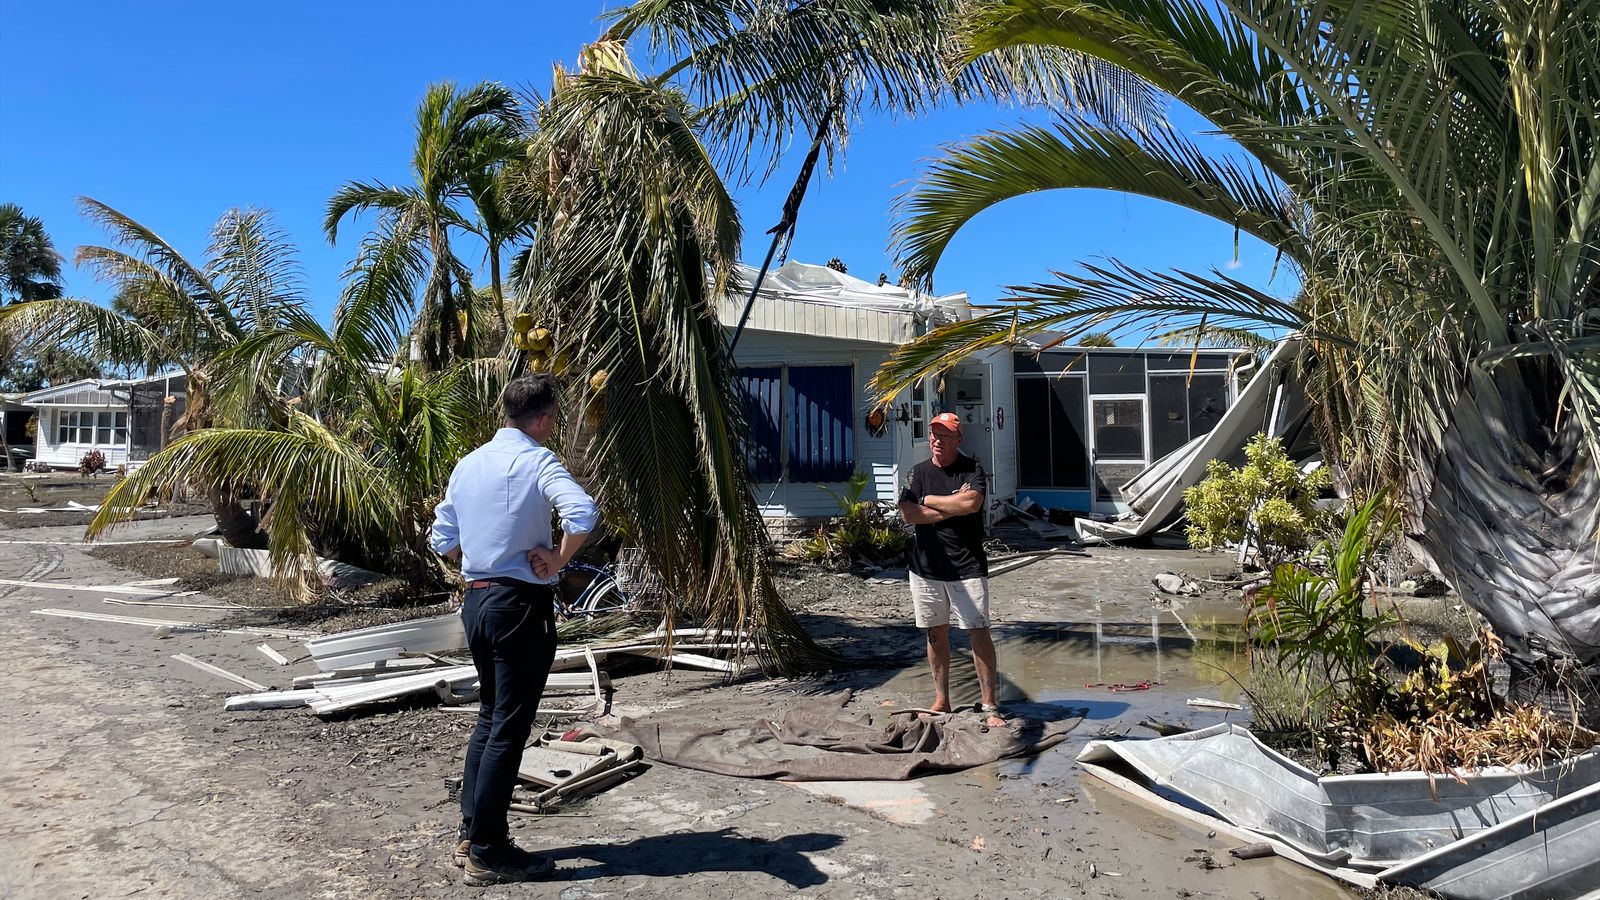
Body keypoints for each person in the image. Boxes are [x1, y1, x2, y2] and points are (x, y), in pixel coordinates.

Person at [429, 373, 599, 886]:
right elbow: (583, 511)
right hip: (518, 604)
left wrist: (484, 548)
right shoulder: (536, 460)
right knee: (507, 726)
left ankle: (472, 832)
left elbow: (442, 540)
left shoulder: (469, 463)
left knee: (490, 718)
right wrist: (556, 556)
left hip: (477, 602)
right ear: (544, 419)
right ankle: (489, 849)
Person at [897, 412, 1006, 727]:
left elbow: (970, 505)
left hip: (966, 566)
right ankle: (942, 700)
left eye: (945, 435)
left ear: (958, 439)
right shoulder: (917, 473)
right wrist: (947, 505)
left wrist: (930, 501)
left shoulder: (973, 470)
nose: (937, 441)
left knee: (978, 631)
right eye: (933, 434)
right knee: (935, 632)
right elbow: (908, 513)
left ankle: (989, 705)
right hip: (925, 569)